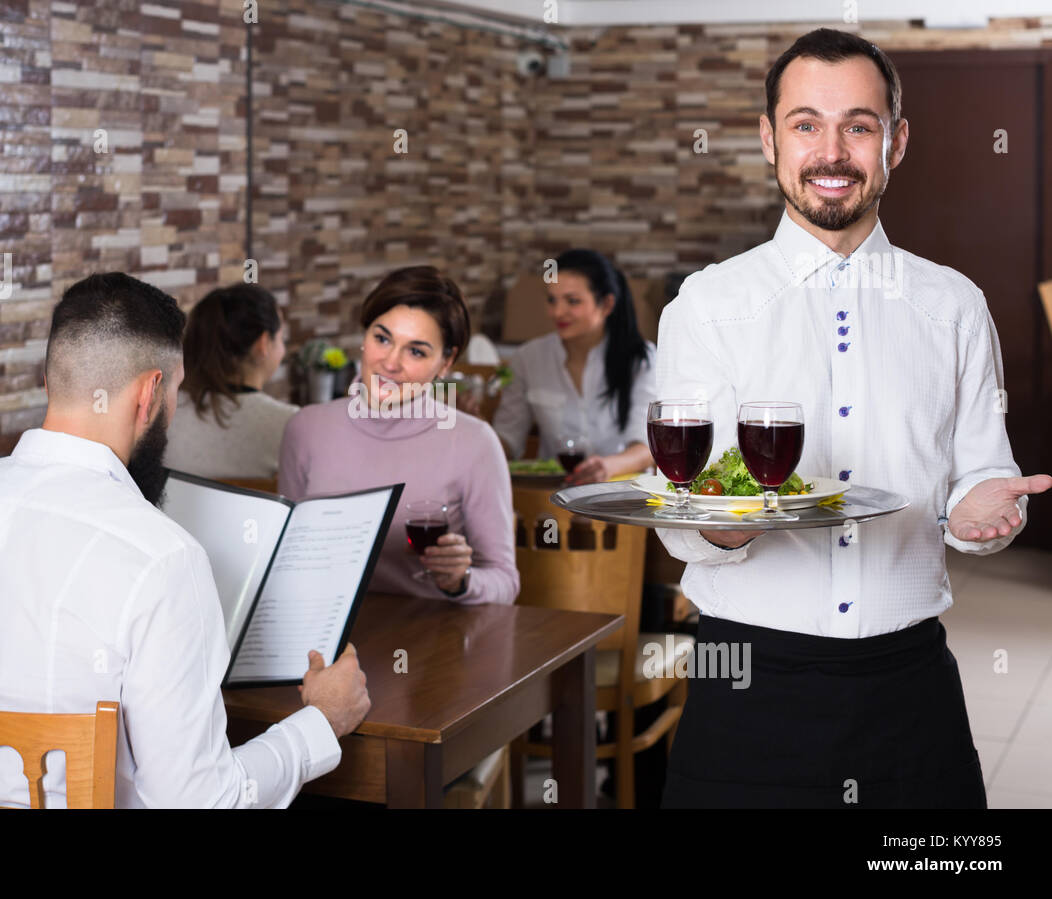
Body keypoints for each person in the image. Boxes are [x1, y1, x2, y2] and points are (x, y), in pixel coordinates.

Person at [654, 29, 1051, 808]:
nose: (830, 151)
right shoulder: (707, 306)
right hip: (744, 680)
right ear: (769, 139)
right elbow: (682, 507)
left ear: (895, 142)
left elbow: (984, 479)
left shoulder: (956, 307)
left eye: (858, 126)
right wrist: (723, 524)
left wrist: (987, 516)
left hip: (909, 686)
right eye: (806, 124)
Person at [0, 272, 370, 808]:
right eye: (173, 393)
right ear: (150, 393)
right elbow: (199, 803)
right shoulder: (163, 560)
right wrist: (319, 724)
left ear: (50, 379)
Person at [279, 265, 519, 605]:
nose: (390, 363)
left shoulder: (475, 442)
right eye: (382, 338)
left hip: (434, 637)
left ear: (446, 362)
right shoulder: (305, 429)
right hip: (326, 640)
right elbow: (286, 562)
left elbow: (504, 582)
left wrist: (461, 580)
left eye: (416, 351)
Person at [494, 249, 656, 486]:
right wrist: (476, 430)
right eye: (552, 300)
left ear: (607, 304)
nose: (557, 312)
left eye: (573, 301)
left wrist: (606, 467)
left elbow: (647, 447)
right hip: (552, 502)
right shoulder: (528, 359)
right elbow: (508, 438)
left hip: (624, 500)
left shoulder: (642, 359)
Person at [164, 283, 297, 479]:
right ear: (263, 344)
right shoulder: (291, 424)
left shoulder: (164, 414)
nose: (283, 348)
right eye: (281, 338)